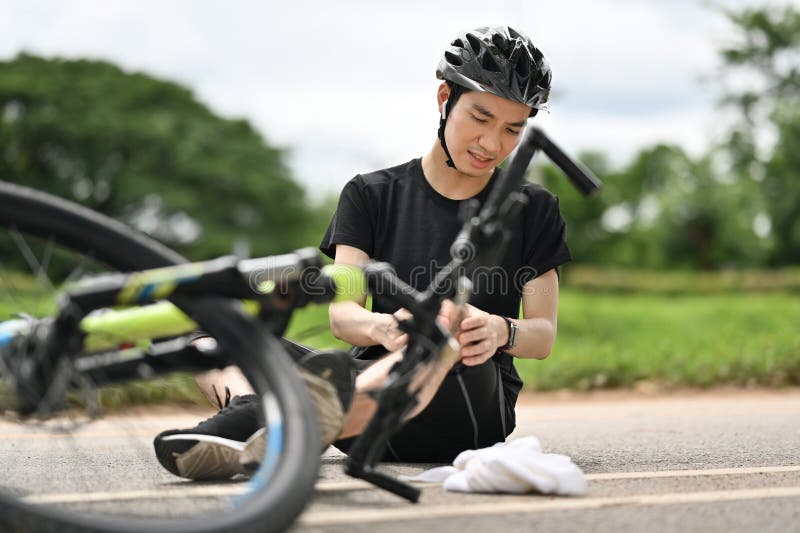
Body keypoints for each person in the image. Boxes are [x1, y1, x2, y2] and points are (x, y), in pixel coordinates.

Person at [153, 24, 570, 479]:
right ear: (444, 98)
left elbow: (543, 335)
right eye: (480, 118)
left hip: (468, 407)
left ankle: (280, 418)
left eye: (513, 129)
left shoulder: (535, 208)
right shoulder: (370, 194)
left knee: (447, 319)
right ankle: (253, 413)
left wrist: (499, 329)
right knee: (209, 323)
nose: (492, 143)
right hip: (366, 398)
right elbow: (343, 316)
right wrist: (385, 327)